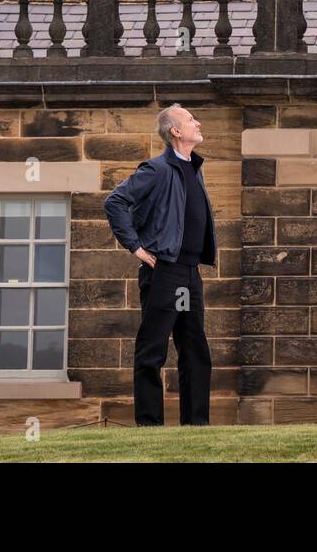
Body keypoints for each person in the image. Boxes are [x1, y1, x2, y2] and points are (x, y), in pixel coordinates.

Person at [104, 103, 217, 426]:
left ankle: (196, 426)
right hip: (164, 272)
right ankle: (150, 425)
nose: (197, 123)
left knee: (195, 350)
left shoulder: (193, 168)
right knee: (152, 351)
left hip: (188, 275)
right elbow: (115, 201)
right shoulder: (156, 169)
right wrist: (136, 247)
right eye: (190, 120)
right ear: (175, 132)